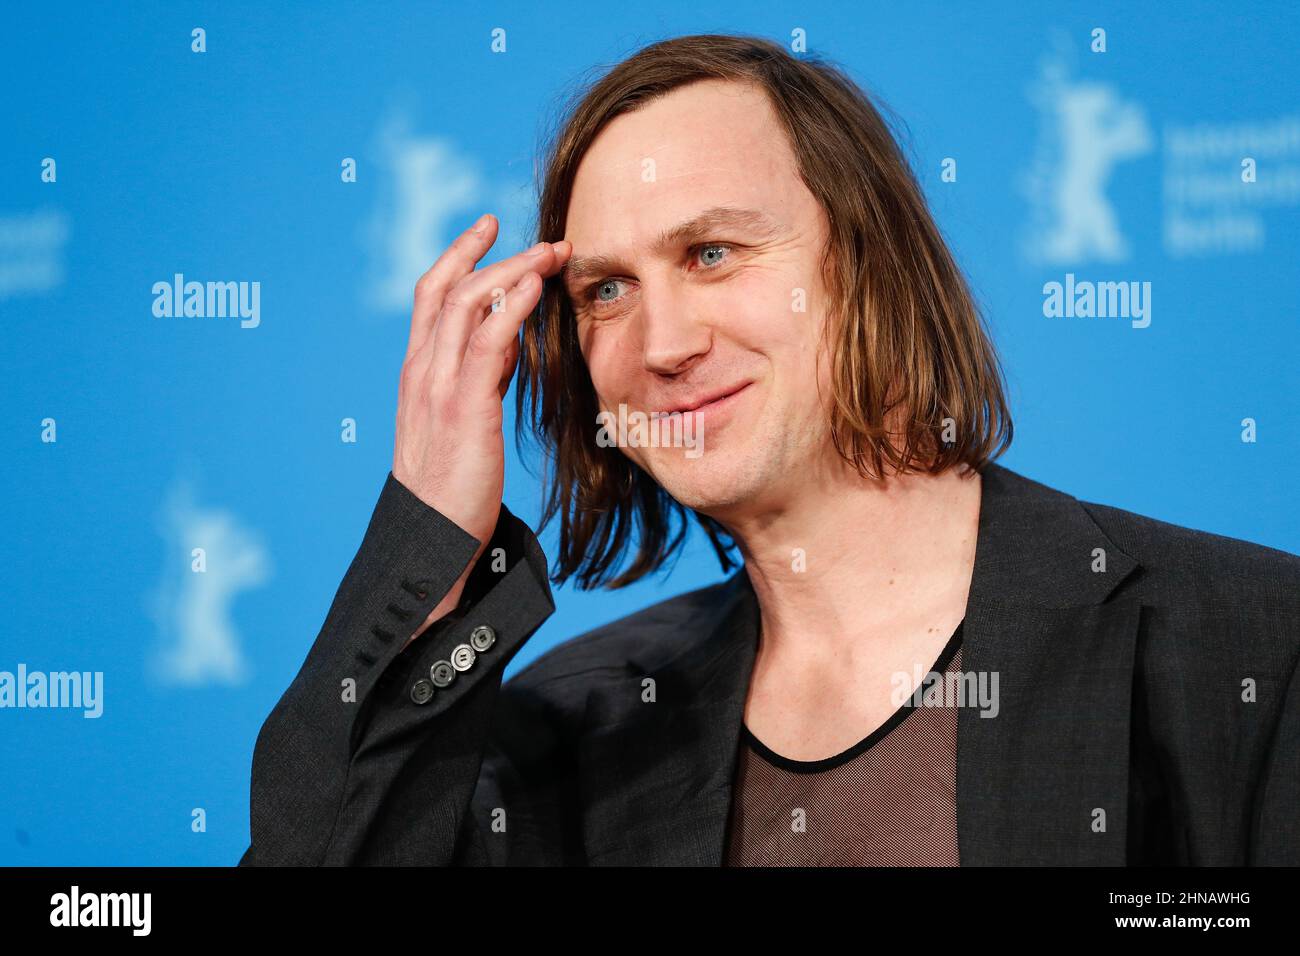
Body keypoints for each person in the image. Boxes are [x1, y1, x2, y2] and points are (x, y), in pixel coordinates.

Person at [239, 34, 1300, 866]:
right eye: (605, 289)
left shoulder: (1248, 641)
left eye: (712, 253)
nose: (662, 344)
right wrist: (425, 534)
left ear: (868, 260)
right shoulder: (567, 730)